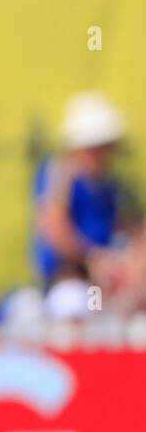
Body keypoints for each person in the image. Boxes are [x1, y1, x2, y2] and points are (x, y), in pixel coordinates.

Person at [33, 91, 127, 287]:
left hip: (100, 280)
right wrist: (92, 257)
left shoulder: (105, 182)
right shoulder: (59, 170)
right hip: (67, 277)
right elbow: (53, 227)